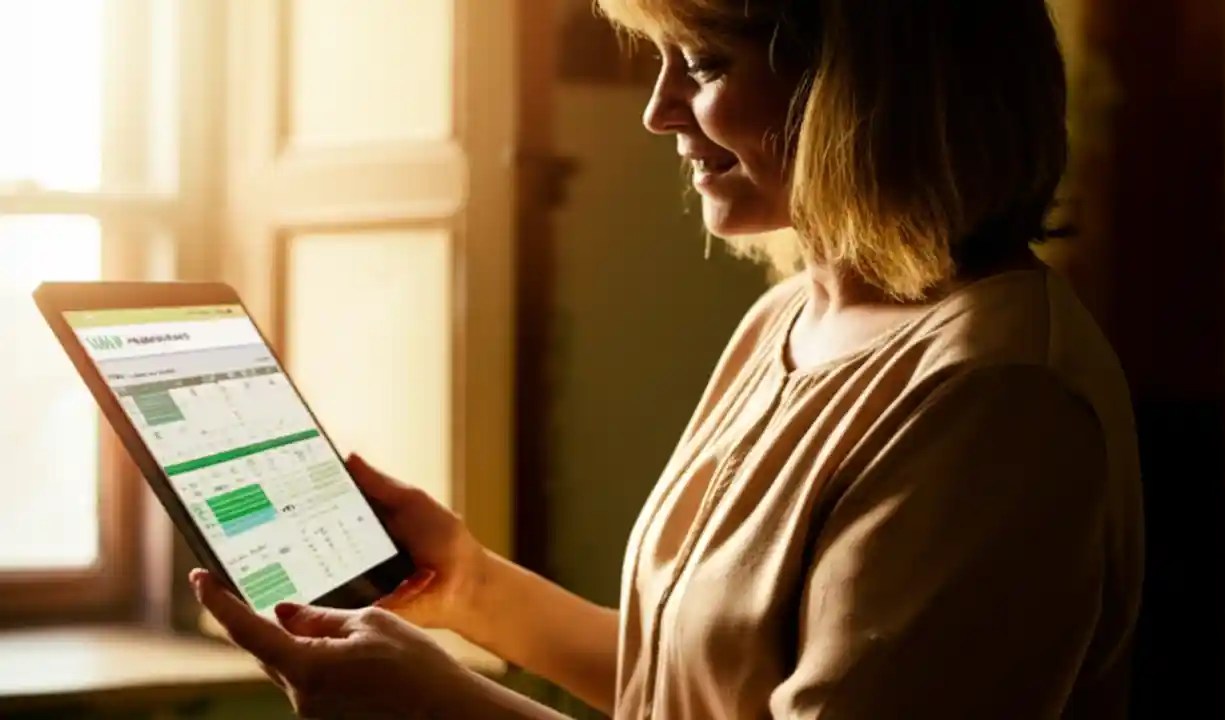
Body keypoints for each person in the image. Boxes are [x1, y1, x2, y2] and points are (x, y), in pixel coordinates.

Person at [189, 0, 1145, 717]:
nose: (657, 110)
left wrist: (444, 709)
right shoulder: (786, 320)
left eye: (702, 63)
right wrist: (473, 588)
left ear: (862, 87)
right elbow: (694, 687)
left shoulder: (996, 400)